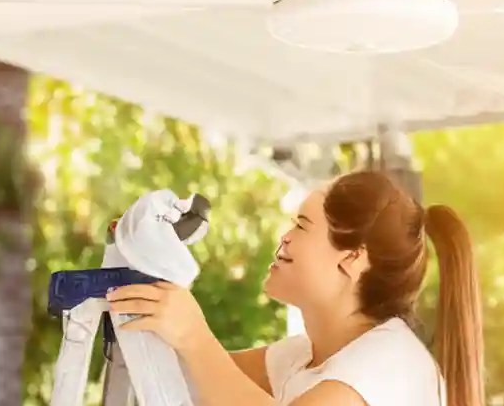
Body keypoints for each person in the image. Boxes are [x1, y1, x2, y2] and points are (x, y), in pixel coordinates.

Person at [107, 170, 484, 406]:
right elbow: (197, 378)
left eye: (302, 226)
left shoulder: (389, 364)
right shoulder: (306, 355)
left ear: (352, 259)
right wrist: (144, 269)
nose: (284, 238)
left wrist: (193, 334)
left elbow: (203, 359)